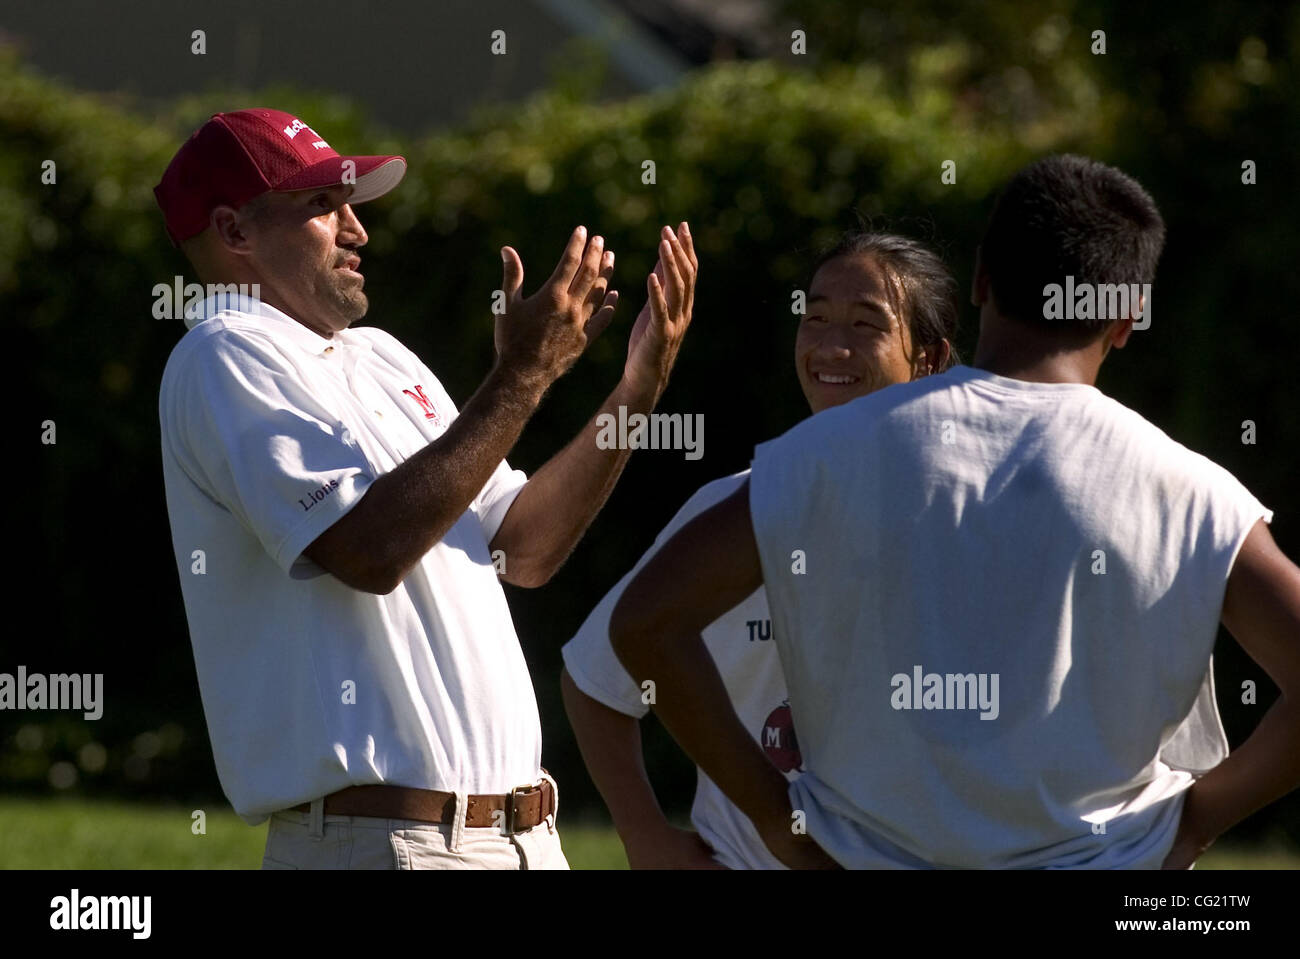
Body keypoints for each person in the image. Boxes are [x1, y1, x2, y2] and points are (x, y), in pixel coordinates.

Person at [609, 154, 1300, 870]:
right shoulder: (1194, 493)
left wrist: (780, 822)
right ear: (1127, 321)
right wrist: (1193, 821)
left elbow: (646, 623)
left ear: (979, 282)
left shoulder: (818, 456)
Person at [154, 108, 697, 869]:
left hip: (519, 840)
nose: (358, 230)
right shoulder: (224, 351)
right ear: (235, 232)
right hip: (389, 847)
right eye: (323, 206)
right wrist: (523, 374)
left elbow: (524, 549)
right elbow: (369, 550)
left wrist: (636, 390)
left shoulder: (380, 355)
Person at [561, 231, 959, 868]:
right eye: (816, 318)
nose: (832, 345)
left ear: (931, 358)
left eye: (866, 324)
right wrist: (645, 836)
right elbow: (593, 680)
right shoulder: (729, 513)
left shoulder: (977, 522)